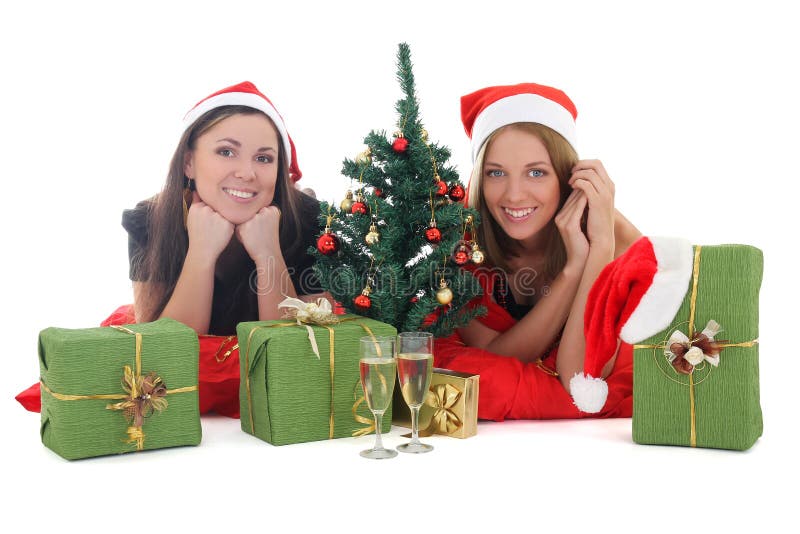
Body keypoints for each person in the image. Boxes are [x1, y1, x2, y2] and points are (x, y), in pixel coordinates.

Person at [434, 82, 642, 421]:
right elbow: (489, 353)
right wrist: (573, 269)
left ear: (565, 176)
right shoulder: (463, 241)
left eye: (536, 172)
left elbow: (582, 379)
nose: (514, 195)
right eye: (496, 173)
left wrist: (600, 248)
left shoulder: (615, 237)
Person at [123, 81, 323, 336]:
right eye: (226, 152)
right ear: (188, 163)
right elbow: (162, 351)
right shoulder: (148, 221)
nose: (246, 173)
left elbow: (303, 351)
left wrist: (268, 253)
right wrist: (201, 253)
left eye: (263, 158)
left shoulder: (307, 220)